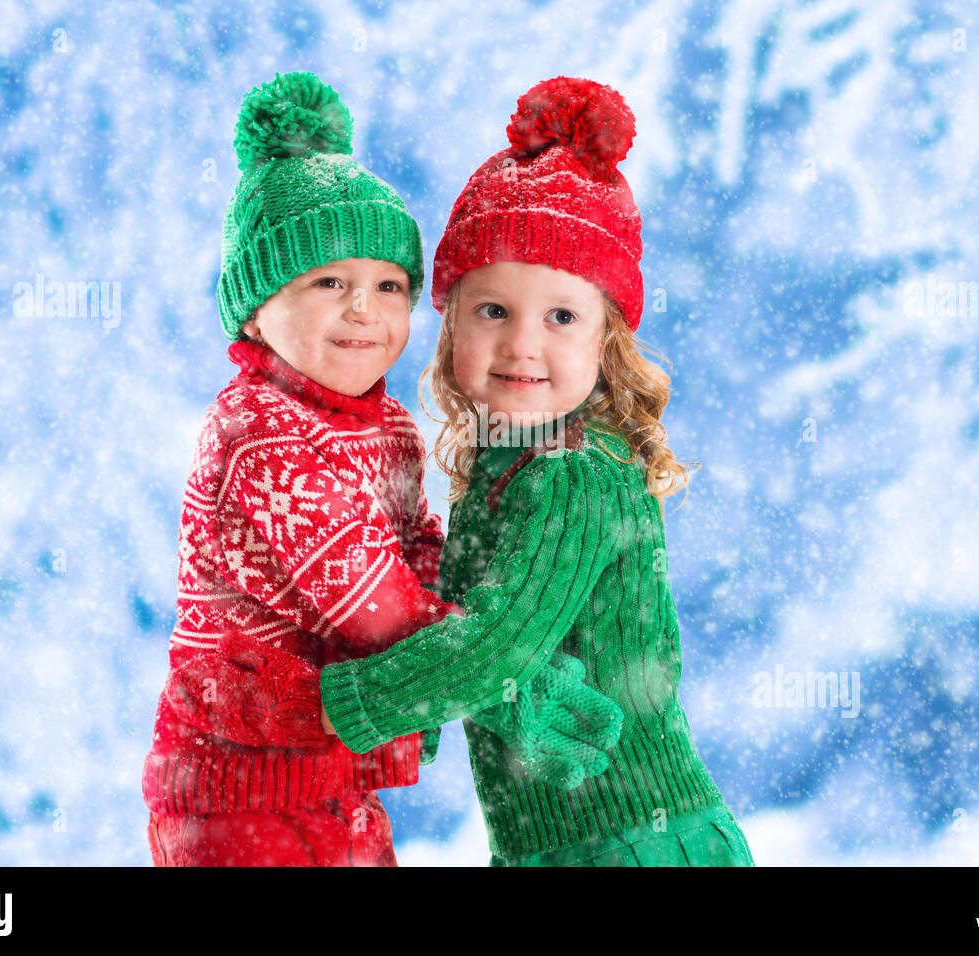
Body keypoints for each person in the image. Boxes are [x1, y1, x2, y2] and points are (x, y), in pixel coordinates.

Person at [141, 71, 620, 867]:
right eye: (329, 283)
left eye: (389, 286)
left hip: (332, 768)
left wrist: (477, 603)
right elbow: (374, 603)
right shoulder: (261, 435)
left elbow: (413, 549)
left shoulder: (382, 423)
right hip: (239, 786)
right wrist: (507, 679)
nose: (364, 309)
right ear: (257, 309)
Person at [313, 75, 758, 867]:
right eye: (493, 311)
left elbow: (493, 648)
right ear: (450, 328)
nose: (523, 344)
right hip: (562, 844)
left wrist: (332, 711)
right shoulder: (508, 465)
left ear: (606, 340)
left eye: (560, 316)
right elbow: (482, 643)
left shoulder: (573, 473)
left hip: (628, 845)